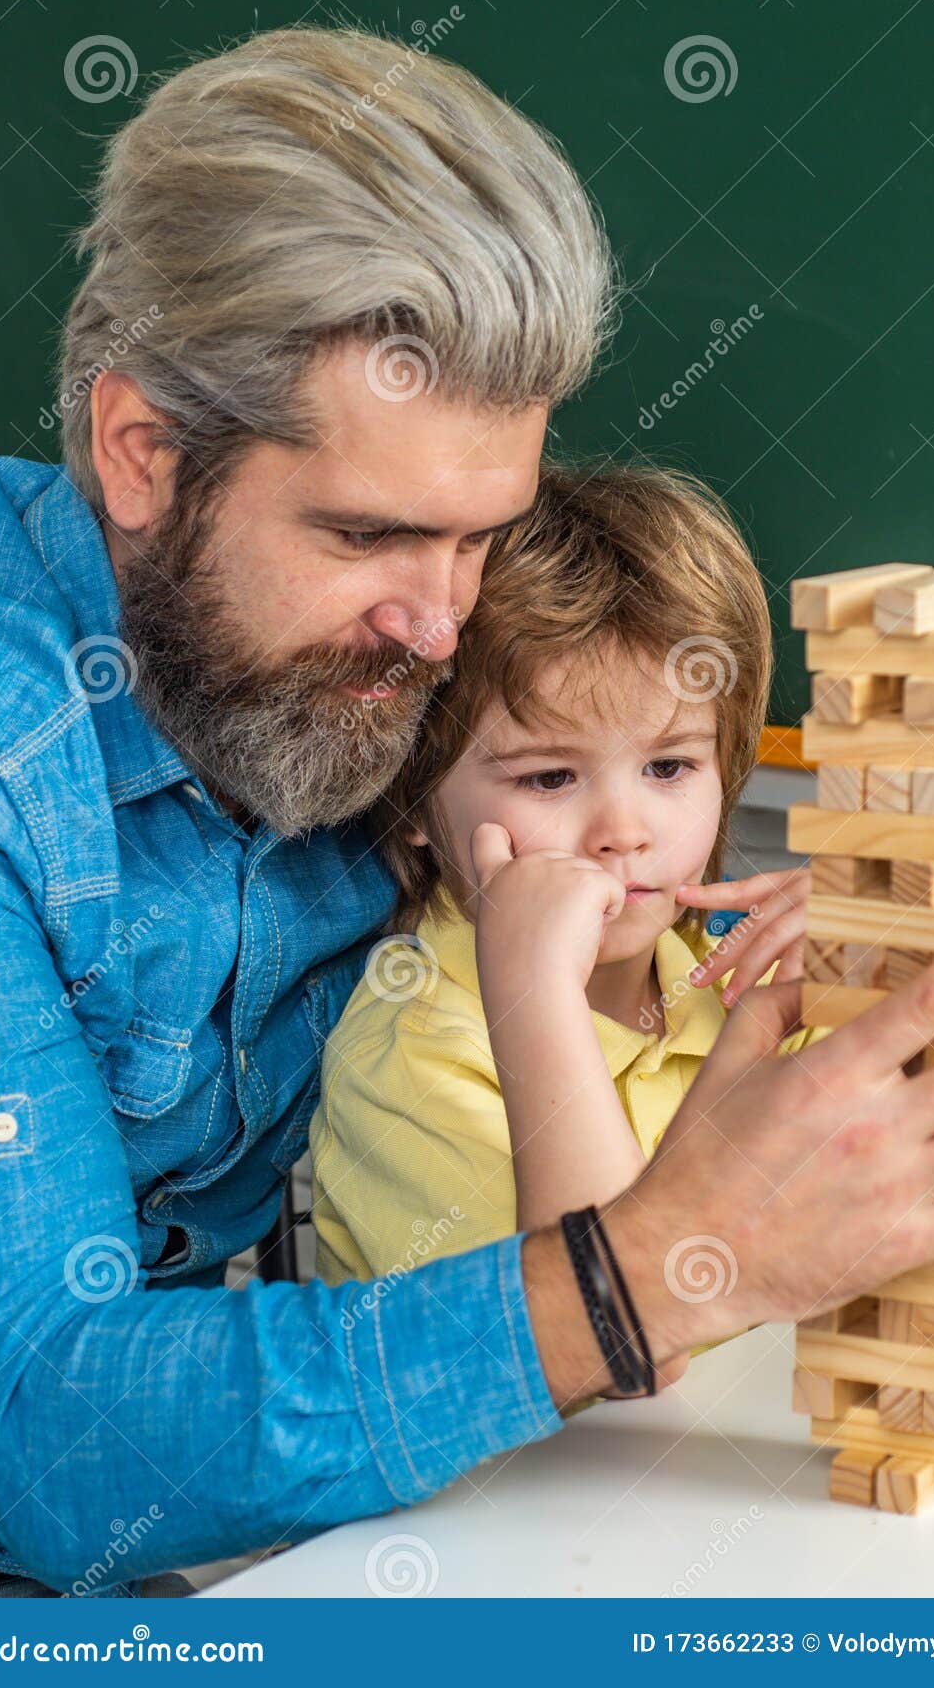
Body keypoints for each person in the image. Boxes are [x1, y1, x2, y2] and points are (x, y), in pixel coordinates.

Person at [0, 24, 934, 1596]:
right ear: (142, 450)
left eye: (477, 537)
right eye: (372, 534)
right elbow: (36, 1432)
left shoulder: (333, 665)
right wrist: (652, 1265)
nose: (439, 630)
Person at [310, 463, 815, 1287]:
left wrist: (898, 964)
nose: (622, 833)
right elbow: (614, 1338)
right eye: (548, 778)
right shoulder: (415, 1062)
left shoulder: (730, 976)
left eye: (669, 767)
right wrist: (534, 994)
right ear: (405, 792)